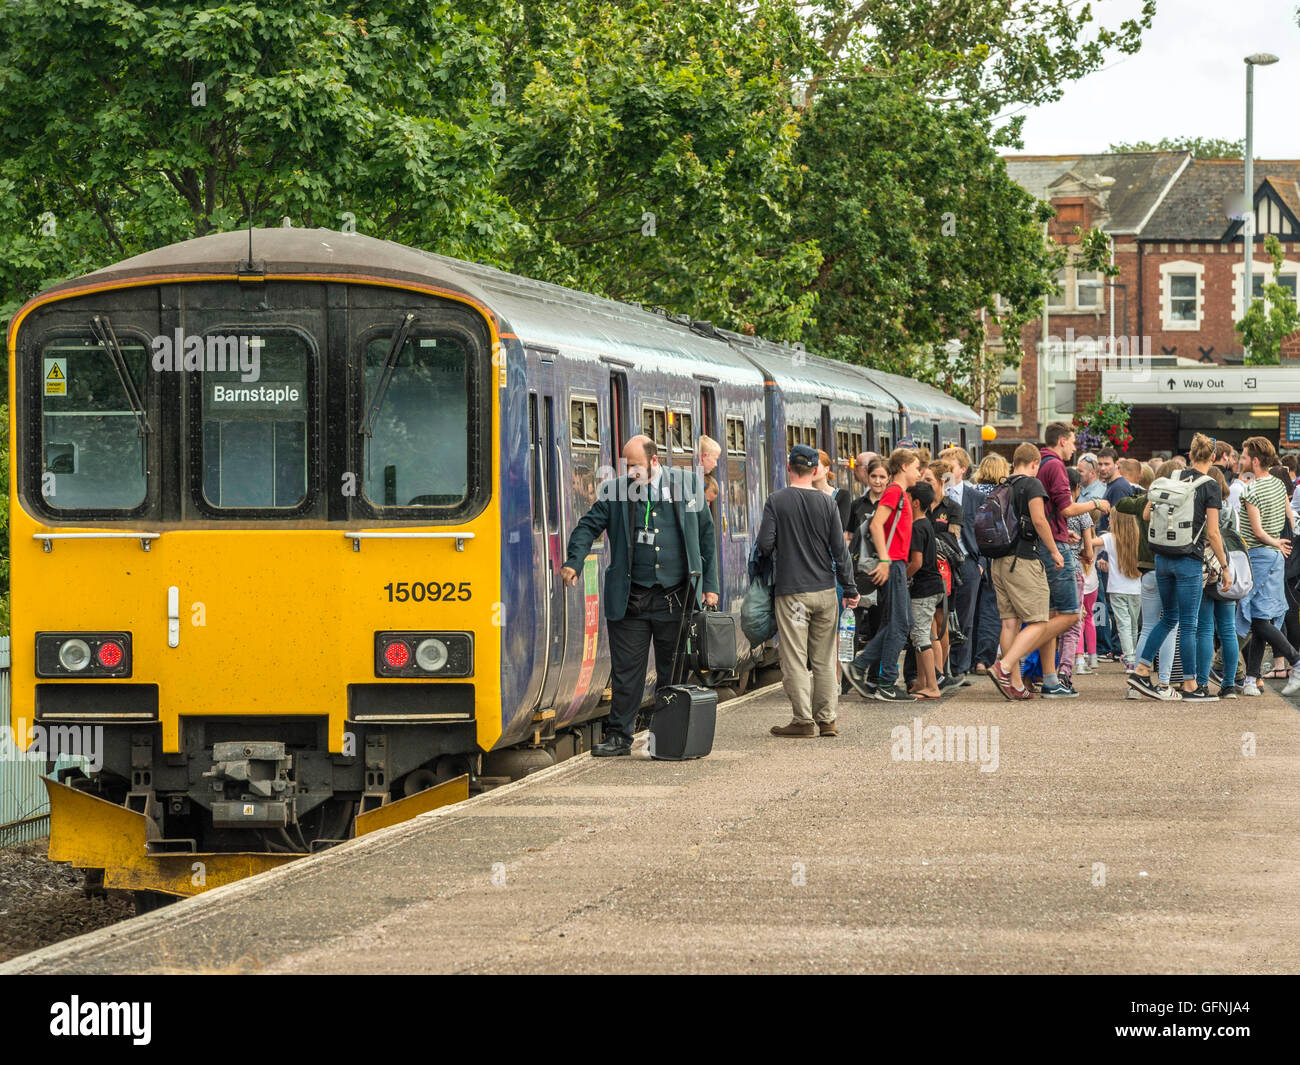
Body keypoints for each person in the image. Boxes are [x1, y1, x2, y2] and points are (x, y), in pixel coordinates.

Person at [561, 435, 719, 756]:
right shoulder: (615, 491)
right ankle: (620, 736)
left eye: (635, 465)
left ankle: (668, 737)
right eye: (626, 464)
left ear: (654, 461)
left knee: (671, 672)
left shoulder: (687, 484)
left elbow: (706, 536)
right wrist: (573, 561)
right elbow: (586, 527)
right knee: (626, 672)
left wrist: (712, 586)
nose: (630, 471)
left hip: (675, 599)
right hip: (631, 598)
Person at [756, 444, 859, 736]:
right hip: (826, 593)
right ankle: (827, 719)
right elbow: (841, 551)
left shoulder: (777, 501)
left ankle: (802, 721)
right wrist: (850, 588)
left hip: (793, 596)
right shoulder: (828, 503)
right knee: (825, 658)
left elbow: (765, 544)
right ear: (815, 471)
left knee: (795, 657)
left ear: (789, 467)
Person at [1127, 433, 1227, 701]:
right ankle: (1192, 686)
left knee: (1168, 618)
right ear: (1213, 457)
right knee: (1188, 624)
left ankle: (1141, 669)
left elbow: (1147, 514)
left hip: (1162, 558)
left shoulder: (1170, 479)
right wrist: (1225, 567)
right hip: (1189, 560)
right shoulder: (1210, 486)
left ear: (1191, 454)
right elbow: (1214, 533)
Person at [1034, 423, 1110, 698]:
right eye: (1073, 442)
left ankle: (1049, 678)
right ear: (1062, 441)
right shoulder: (1054, 466)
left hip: (1046, 546)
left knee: (1053, 614)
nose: (1075, 447)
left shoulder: (1040, 463)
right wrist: (1096, 505)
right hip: (1058, 548)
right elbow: (1066, 509)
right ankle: (1015, 660)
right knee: (1070, 616)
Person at [845, 448, 922, 702]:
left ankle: (862, 668)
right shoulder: (894, 492)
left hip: (896, 563)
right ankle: (886, 682)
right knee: (901, 624)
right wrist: (886, 559)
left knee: (896, 622)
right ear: (903, 467)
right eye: (915, 467)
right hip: (894, 564)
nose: (918, 472)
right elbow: (877, 524)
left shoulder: (899, 493)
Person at [987, 444, 1056, 700]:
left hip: (999, 561)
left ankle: (1015, 684)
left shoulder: (1002, 485)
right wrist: (1055, 551)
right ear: (1035, 463)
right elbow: (1039, 520)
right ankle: (1003, 667)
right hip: (1024, 560)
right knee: (1039, 621)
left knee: (1010, 623)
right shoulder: (1032, 485)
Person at [1236, 436, 1300, 697]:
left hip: (1258, 555)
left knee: (1252, 615)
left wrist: (1273, 541)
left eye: (1243, 455)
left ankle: (1295, 661)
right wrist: (1283, 543)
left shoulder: (1251, 490)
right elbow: (1291, 517)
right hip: (1275, 557)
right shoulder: (1277, 483)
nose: (1240, 459)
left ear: (1254, 460)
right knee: (1262, 616)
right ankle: (1251, 678)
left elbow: (1257, 531)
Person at [1115, 461, 1179, 700]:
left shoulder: (1146, 500)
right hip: (1168, 568)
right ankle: (1163, 684)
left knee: (1148, 627)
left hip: (1147, 571)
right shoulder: (1176, 501)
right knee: (1170, 626)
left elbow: (1121, 504)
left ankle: (1136, 683)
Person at [1200, 465, 1243, 698]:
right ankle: (1228, 684)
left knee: (1205, 628)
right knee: (1228, 629)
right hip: (1229, 571)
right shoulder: (1231, 510)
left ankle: (1202, 682)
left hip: (1208, 571)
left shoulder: (1204, 506)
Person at [939, 446, 982, 683]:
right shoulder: (936, 495)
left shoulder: (975, 497)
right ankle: (941, 668)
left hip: (967, 561)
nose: (944, 472)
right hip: (940, 562)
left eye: (950, 467)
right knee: (941, 616)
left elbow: (985, 531)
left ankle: (959, 668)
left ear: (962, 470)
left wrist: (981, 562)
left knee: (965, 617)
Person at [904, 481, 944, 699]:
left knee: (920, 637)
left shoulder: (917, 527)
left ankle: (932, 686)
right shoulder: (926, 523)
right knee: (922, 634)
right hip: (933, 586)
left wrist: (903, 577)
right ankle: (921, 680)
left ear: (916, 502)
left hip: (924, 588)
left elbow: (916, 562)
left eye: (907, 499)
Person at [970, 452, 1010, 675]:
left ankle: (966, 658)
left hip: (974, 556)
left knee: (971, 611)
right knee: (991, 610)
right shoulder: (1003, 495)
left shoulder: (970, 493)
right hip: (995, 555)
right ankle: (983, 660)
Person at [848, 458, 890, 662]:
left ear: (889, 478)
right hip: (859, 572)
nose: (878, 481)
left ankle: (874, 675)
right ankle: (849, 676)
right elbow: (847, 537)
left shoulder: (891, 505)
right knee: (853, 626)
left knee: (878, 624)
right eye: (874, 476)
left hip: (882, 571)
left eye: (882, 477)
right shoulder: (856, 505)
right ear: (867, 477)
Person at [1062, 466, 1098, 681]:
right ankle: (1065, 671)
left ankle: (1042, 672)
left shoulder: (1051, 510)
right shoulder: (1081, 511)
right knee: (1074, 622)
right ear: (1076, 488)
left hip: (1049, 568)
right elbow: (1089, 549)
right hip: (1074, 568)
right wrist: (1086, 555)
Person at [1100, 511, 1143, 669]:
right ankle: (1132, 656)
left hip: (1117, 588)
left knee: (1123, 625)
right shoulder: (1139, 538)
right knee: (1132, 624)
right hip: (1136, 588)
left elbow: (1090, 543)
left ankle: (1130, 659)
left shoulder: (1110, 538)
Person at [814, 449, 853, 535]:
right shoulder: (802, 494)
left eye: (816, 466)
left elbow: (840, 527)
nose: (812, 470)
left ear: (826, 469)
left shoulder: (843, 495)